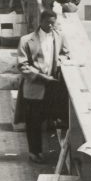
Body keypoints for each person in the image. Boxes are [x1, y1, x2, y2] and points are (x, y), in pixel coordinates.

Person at [17, 10, 70, 163]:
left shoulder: (59, 36)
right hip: (34, 87)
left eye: (53, 23)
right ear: (40, 22)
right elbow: (22, 66)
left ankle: (50, 151)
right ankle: (34, 152)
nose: (51, 26)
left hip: (52, 86)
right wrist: (41, 77)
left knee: (52, 116)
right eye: (48, 23)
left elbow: (66, 53)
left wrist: (60, 62)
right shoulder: (26, 40)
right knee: (33, 121)